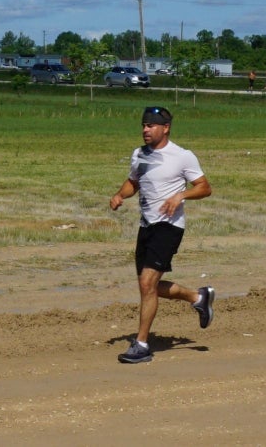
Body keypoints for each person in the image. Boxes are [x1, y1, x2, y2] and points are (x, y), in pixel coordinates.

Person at [109, 106, 214, 364]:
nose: (145, 130)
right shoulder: (139, 154)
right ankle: (198, 297)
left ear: (165, 128)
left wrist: (180, 195)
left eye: (151, 125)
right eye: (144, 125)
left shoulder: (182, 156)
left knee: (147, 285)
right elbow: (133, 182)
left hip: (169, 226)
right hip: (146, 226)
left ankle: (142, 345)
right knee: (149, 287)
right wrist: (120, 195)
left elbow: (204, 188)